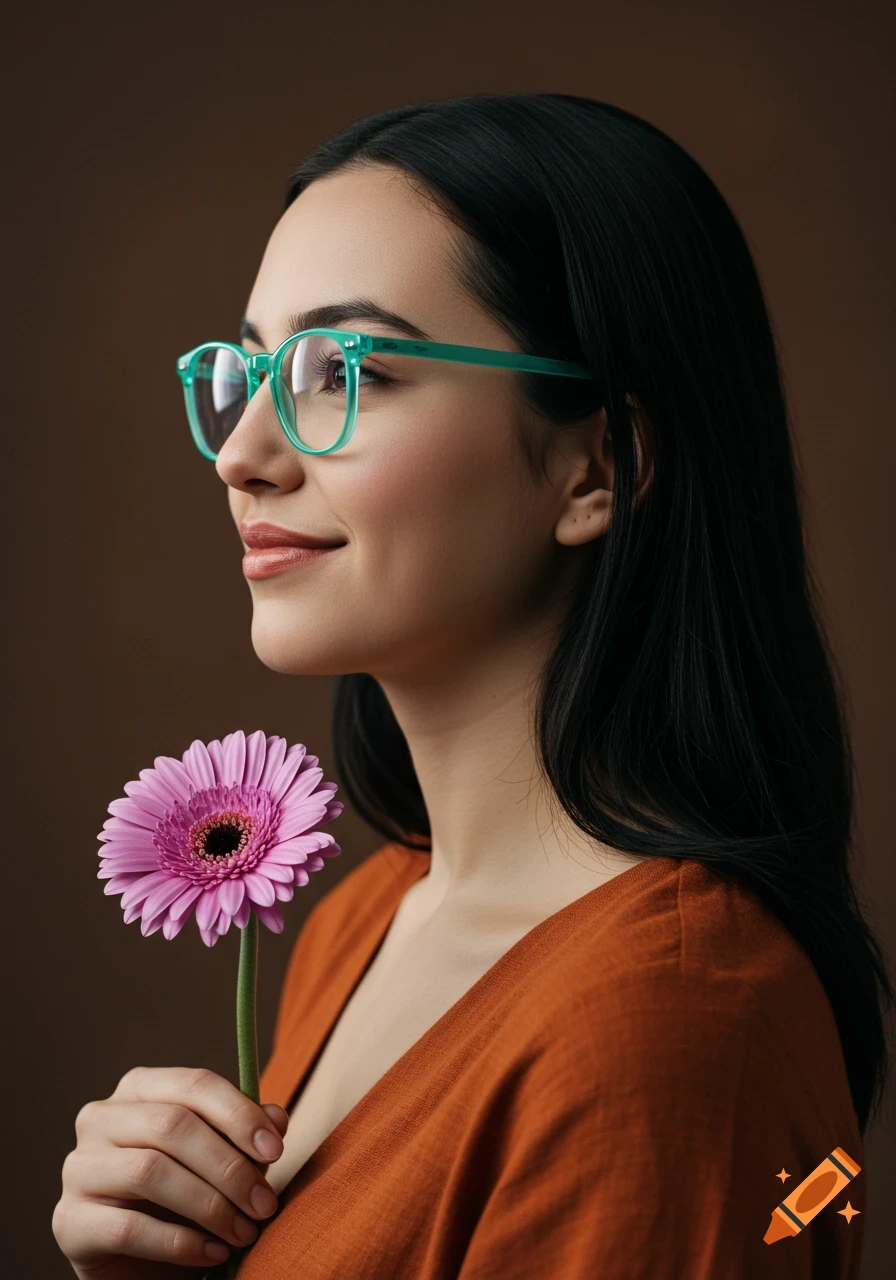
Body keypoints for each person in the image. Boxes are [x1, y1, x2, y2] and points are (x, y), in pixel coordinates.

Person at [53, 91, 891, 1279]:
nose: (242, 454)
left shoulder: (659, 1025)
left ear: (597, 464)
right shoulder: (365, 915)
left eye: (343, 369)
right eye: (252, 367)